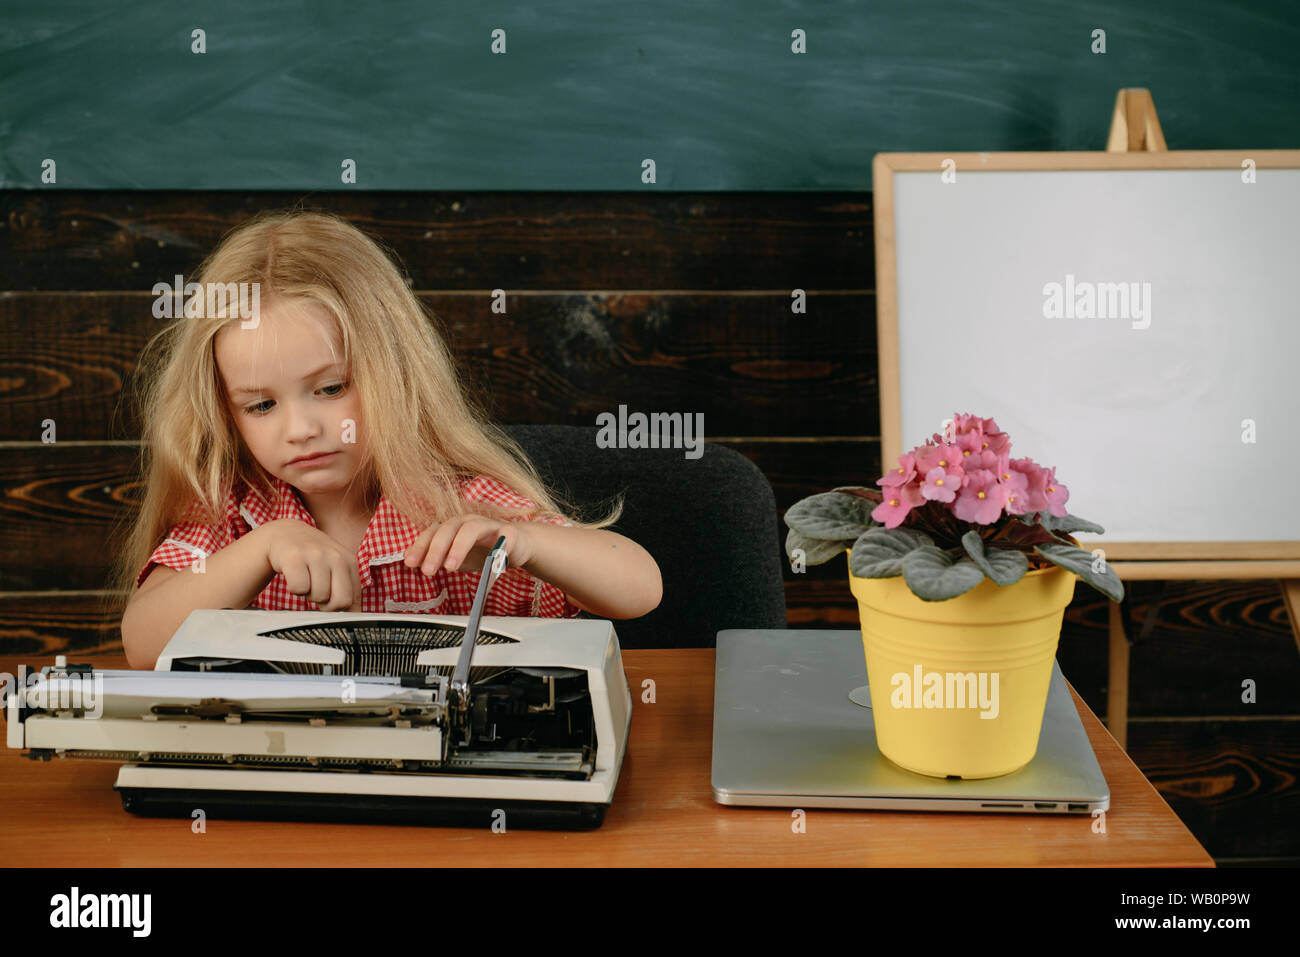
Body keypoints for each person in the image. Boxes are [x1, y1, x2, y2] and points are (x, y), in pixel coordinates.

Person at [111, 209, 662, 670]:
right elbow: (144, 644)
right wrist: (262, 548)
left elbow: (639, 588)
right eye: (261, 405)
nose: (301, 429)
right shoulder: (230, 514)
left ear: (395, 374)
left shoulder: (455, 503)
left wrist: (528, 543)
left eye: (330, 389)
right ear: (226, 413)